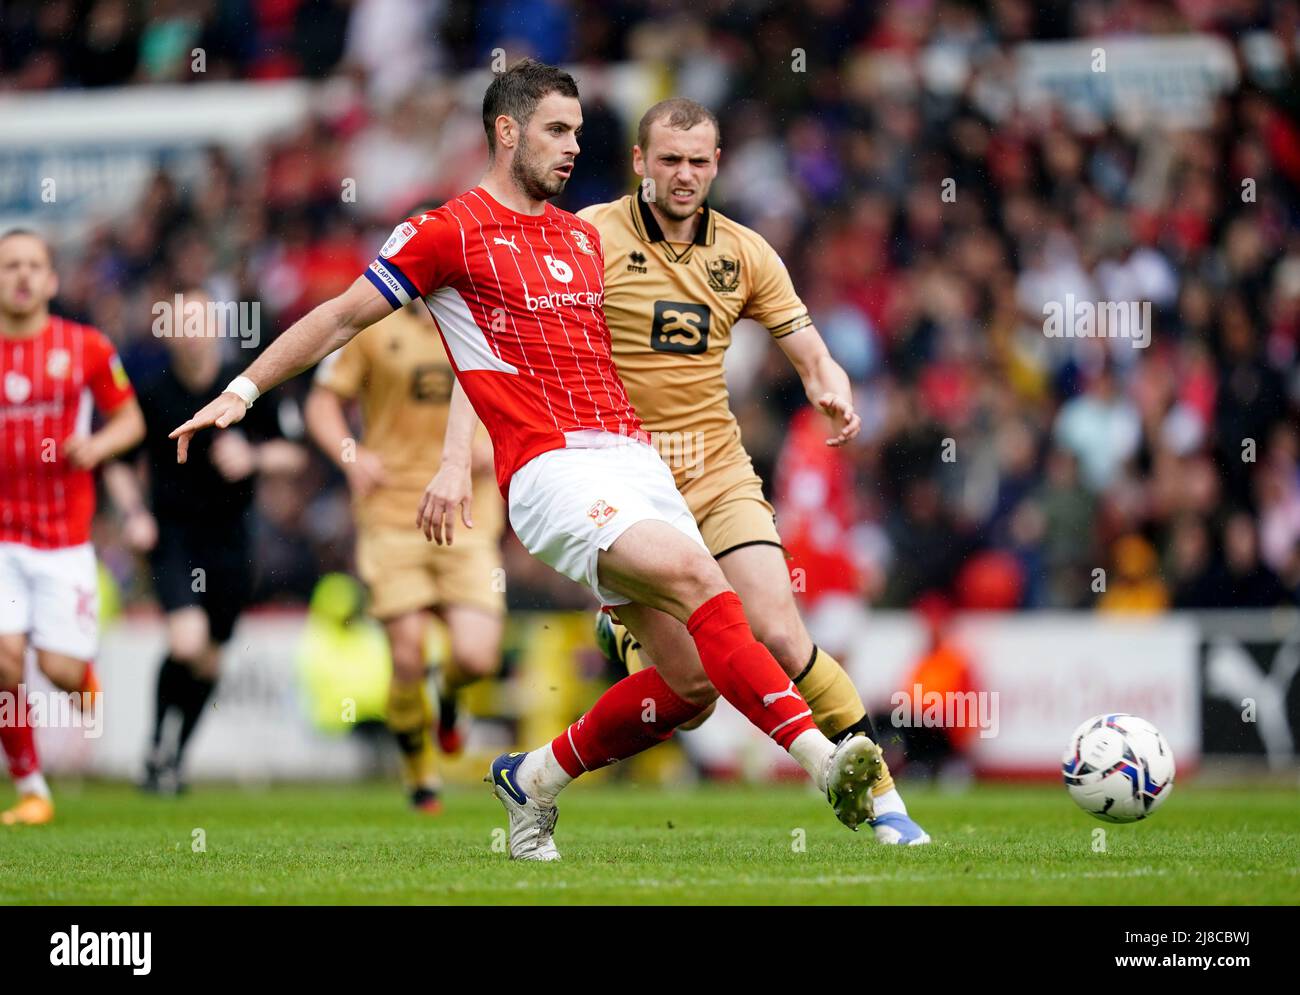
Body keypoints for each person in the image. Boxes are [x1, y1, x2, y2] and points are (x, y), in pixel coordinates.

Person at [171, 59, 883, 862]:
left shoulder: (582, 237)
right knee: (700, 577)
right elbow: (339, 319)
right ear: (506, 132)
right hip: (551, 470)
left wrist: (800, 361)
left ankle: (533, 778)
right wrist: (243, 388)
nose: (575, 147)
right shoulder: (447, 232)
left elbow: (538, 350)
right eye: (557, 130)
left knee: (691, 687)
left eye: (579, 132)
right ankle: (825, 761)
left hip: (635, 460)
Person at [575, 98, 928, 844]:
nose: (684, 175)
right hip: (623, 480)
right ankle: (629, 633)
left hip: (716, 469)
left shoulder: (746, 252)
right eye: (669, 159)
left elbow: (807, 345)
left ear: (718, 164)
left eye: (699, 161)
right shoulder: (588, 238)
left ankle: (887, 802)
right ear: (640, 161)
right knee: (689, 684)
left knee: (776, 625)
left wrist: (830, 384)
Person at [305, 293, 505, 813]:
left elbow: (531, 388)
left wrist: (500, 445)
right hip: (393, 515)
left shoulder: (487, 319)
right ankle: (421, 776)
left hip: (469, 517)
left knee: (476, 656)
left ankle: (451, 696)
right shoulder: (375, 328)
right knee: (408, 653)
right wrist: (351, 455)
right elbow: (322, 401)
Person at [105, 289, 304, 793]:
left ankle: (173, 759)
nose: (193, 334)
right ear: (168, 332)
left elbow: (296, 456)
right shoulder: (151, 391)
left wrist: (254, 457)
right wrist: (133, 514)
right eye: (182, 324)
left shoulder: (246, 388)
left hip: (232, 539)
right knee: (186, 641)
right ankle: (155, 745)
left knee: (210, 658)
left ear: (218, 326)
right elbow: (119, 463)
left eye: (202, 322)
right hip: (173, 535)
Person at [0, 228, 145, 824]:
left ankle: (79, 677)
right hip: (3, 538)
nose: (23, 276)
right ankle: (32, 788)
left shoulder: (85, 347)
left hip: (64, 537)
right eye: (11, 266)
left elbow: (130, 421)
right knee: (5, 662)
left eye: (34, 265)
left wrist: (98, 443)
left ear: (52, 280)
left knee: (57, 668)